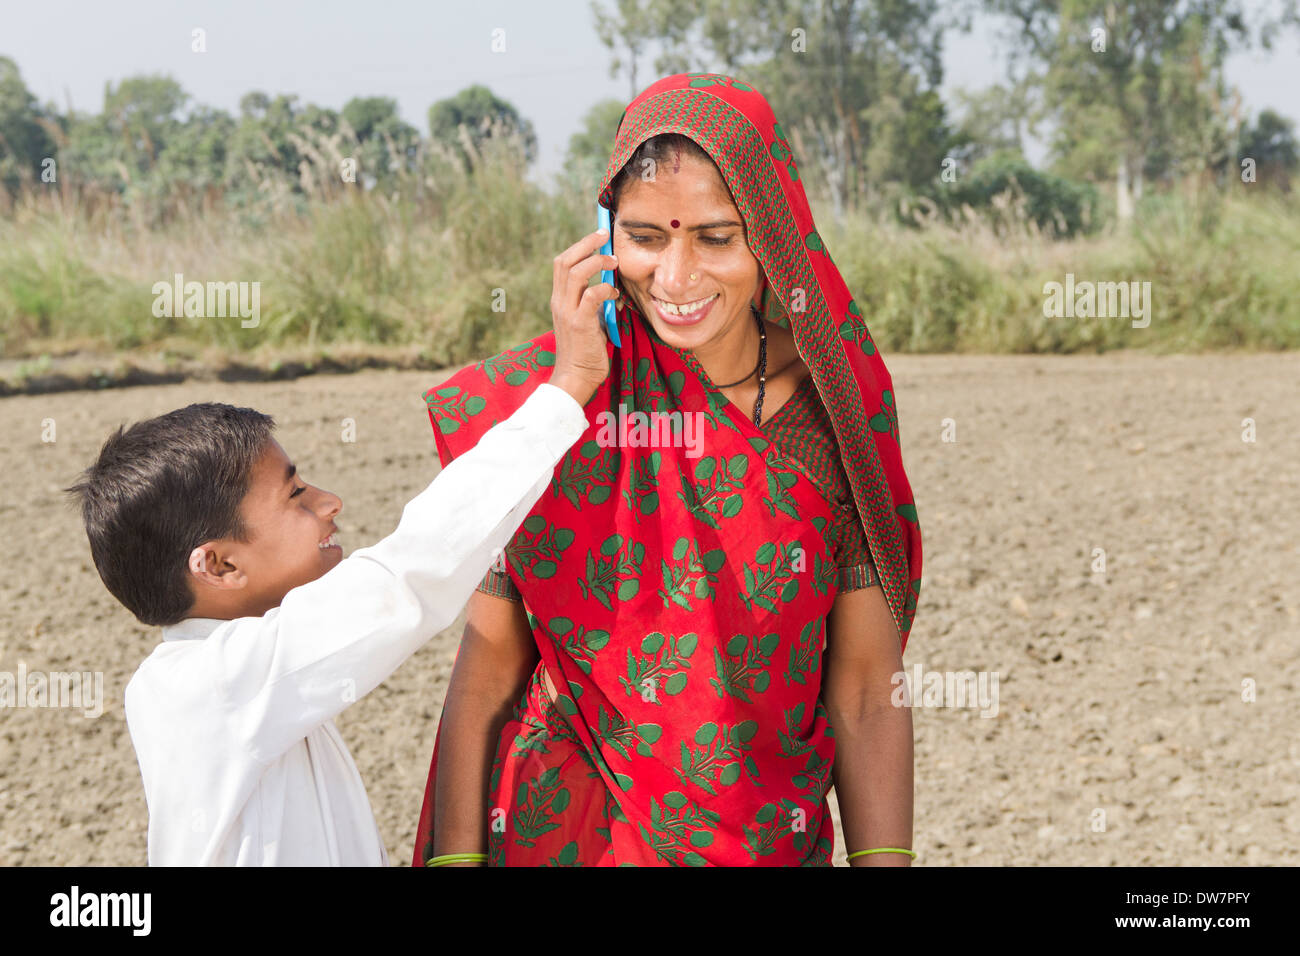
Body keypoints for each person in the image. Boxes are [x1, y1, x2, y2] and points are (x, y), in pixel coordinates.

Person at [414, 72, 924, 867]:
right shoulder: (553, 410)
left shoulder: (829, 410)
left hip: (768, 839)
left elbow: (863, 691)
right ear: (603, 234)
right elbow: (485, 680)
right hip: (573, 837)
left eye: (716, 238)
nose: (677, 279)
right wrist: (456, 860)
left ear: (774, 236)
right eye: (646, 237)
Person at [64, 283, 613, 866]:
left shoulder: (246, 681)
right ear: (220, 565)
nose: (330, 501)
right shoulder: (209, 685)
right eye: (296, 493)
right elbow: (406, 572)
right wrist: (570, 385)